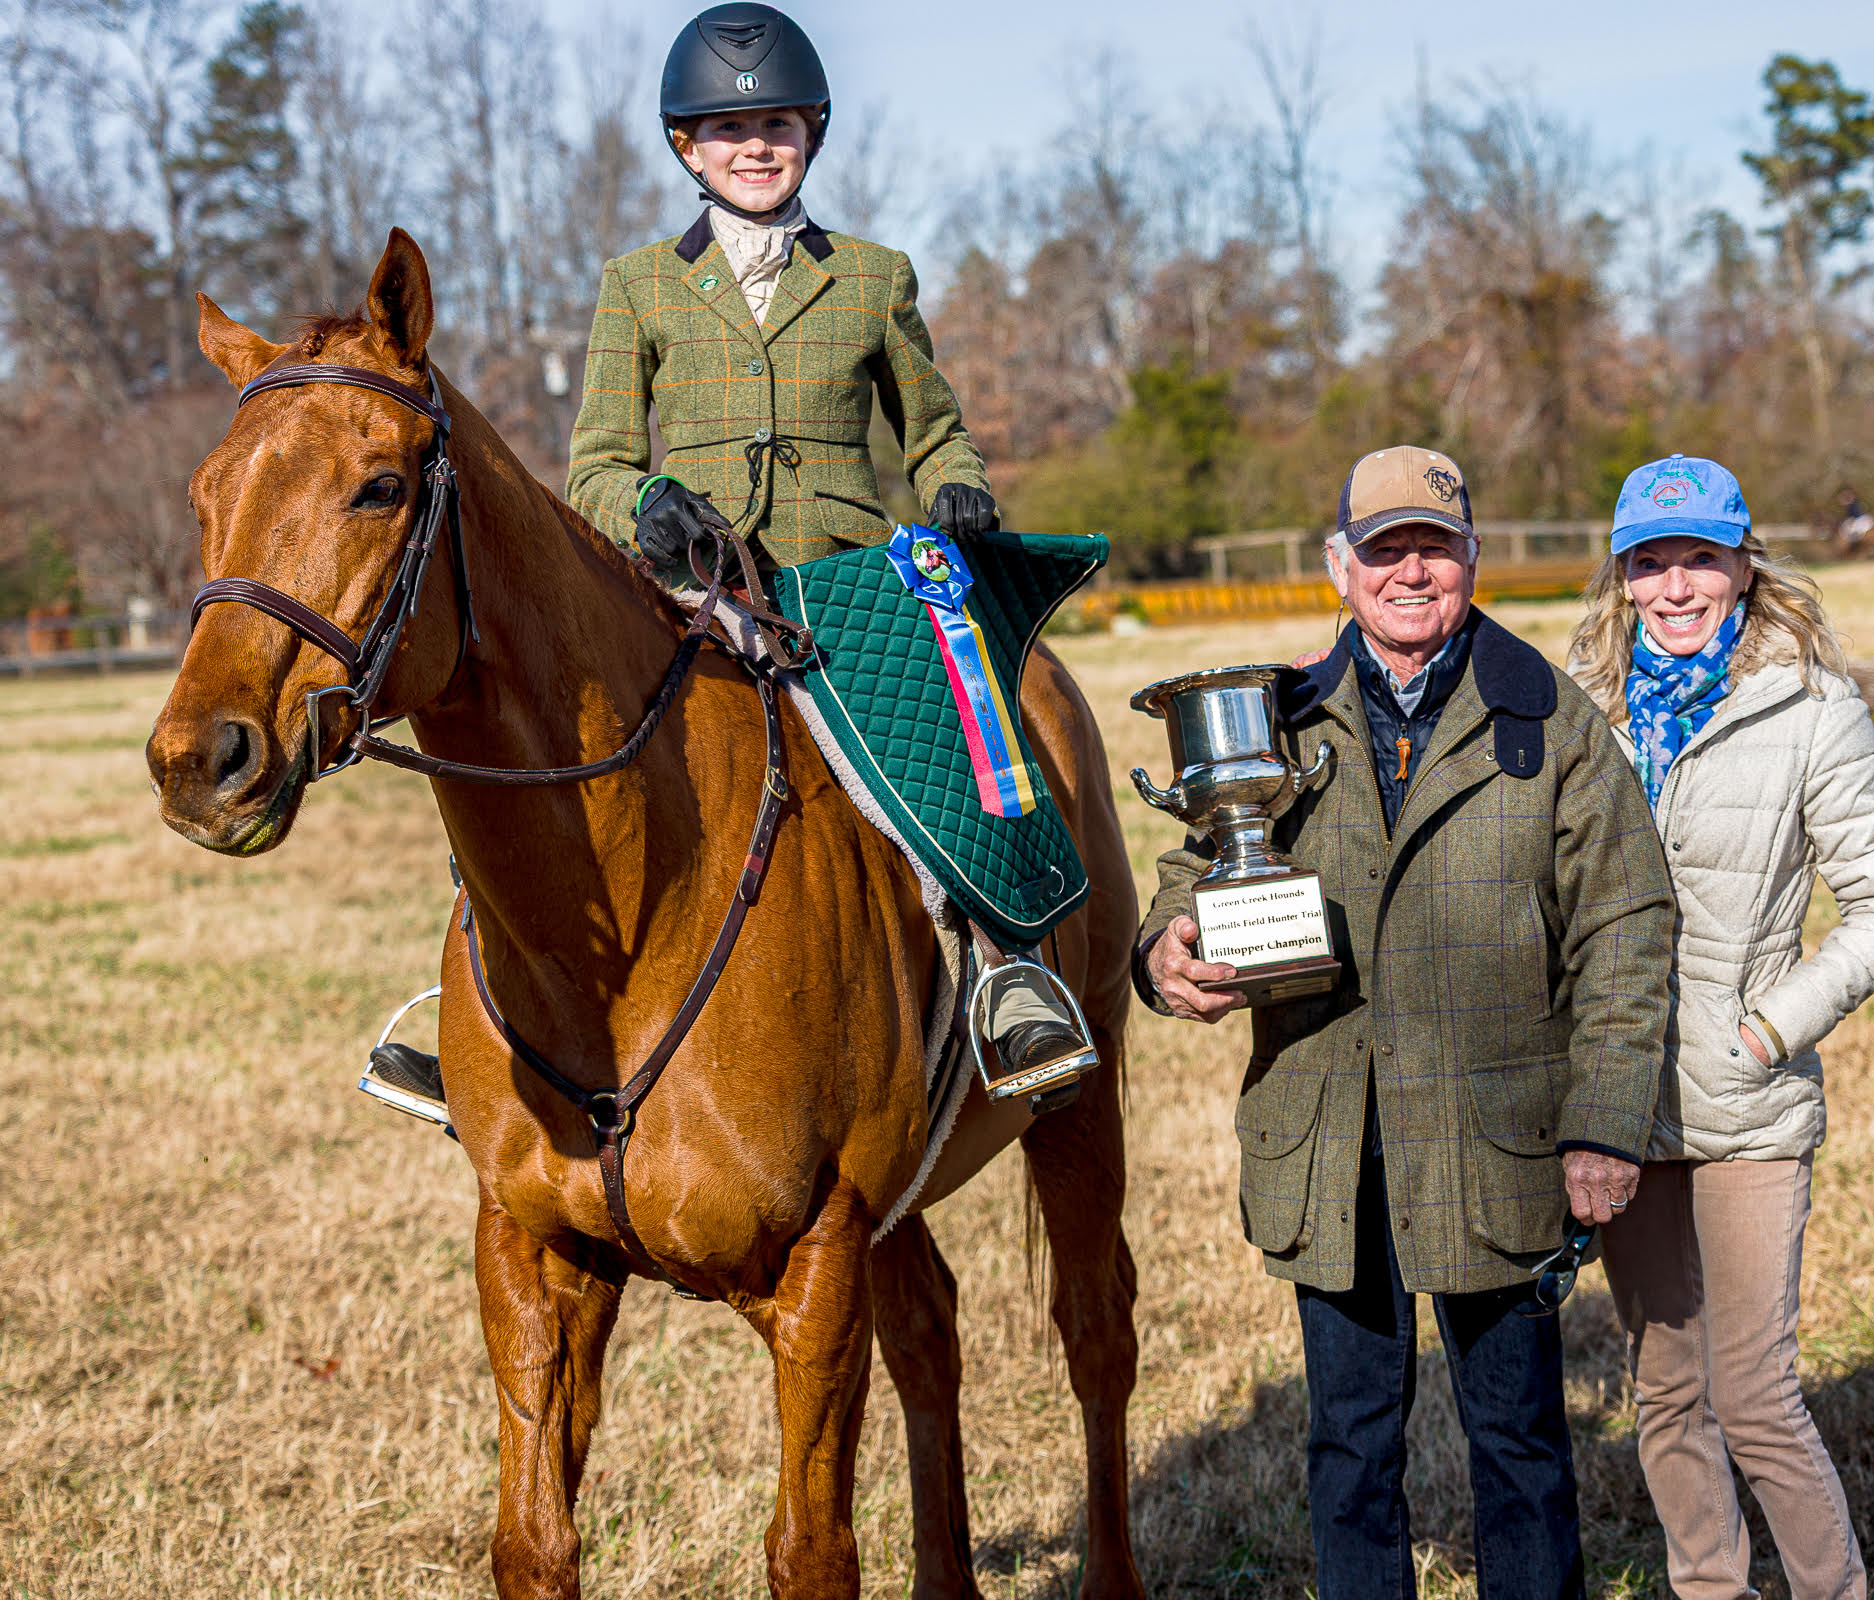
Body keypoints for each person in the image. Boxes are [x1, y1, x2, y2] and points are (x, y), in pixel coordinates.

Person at [359, 4, 1085, 1129]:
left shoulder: (875, 278)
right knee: (532, 743)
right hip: (686, 589)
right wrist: (647, 504)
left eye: (779, 125)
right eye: (728, 128)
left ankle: (1008, 970)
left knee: (943, 733)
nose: (756, 145)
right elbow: (594, 461)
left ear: (813, 136)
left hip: (841, 582)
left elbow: (930, 425)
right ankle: (466, 1011)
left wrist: (957, 479)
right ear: (686, 148)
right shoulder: (639, 284)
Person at [1139, 446, 1677, 1599]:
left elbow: (1627, 930)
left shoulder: (1551, 721)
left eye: (1434, 546)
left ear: (1472, 559)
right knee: (1348, 1446)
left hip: (1501, 1138)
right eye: (1386, 548)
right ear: (1342, 567)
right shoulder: (1268, 718)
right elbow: (1197, 871)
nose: (1412, 570)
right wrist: (1163, 949)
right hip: (1333, 1141)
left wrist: (1606, 1122)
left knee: (1521, 1443)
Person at [1565, 454, 1874, 1600]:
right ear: (1622, 576)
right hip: (1619, 1101)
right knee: (1665, 1388)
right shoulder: (1584, 701)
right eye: (1652, 562)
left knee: (1756, 1395)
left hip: (1746, 1100)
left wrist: (1772, 1026)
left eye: (1701, 559)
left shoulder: (1810, 704)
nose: (1676, 587)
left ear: (1743, 563)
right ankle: (1707, 1587)